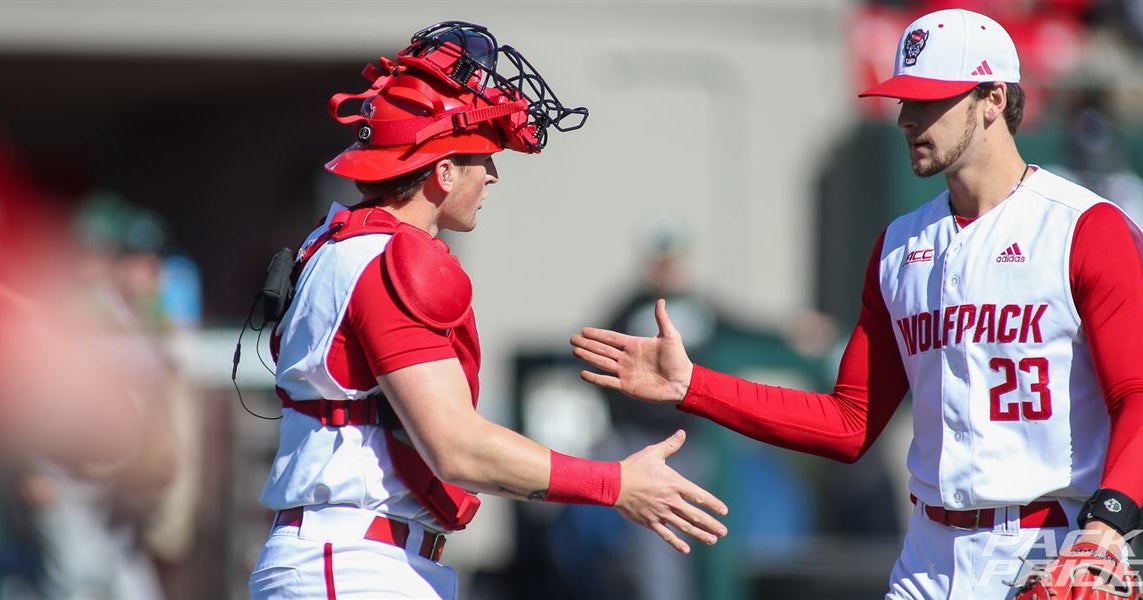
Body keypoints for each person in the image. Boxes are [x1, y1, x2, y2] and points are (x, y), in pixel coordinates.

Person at [572, 8, 1143, 599]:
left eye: (929, 100)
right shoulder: (900, 246)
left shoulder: (1084, 228)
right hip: (927, 552)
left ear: (993, 97)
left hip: (1047, 542)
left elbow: (1138, 394)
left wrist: (1109, 522)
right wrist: (694, 386)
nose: (906, 117)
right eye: (903, 99)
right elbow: (850, 424)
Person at [247, 21, 727, 600]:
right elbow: (456, 447)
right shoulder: (393, 258)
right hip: (355, 564)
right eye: (482, 158)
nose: (494, 175)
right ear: (443, 171)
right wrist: (615, 482)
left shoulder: (339, 242)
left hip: (351, 556)